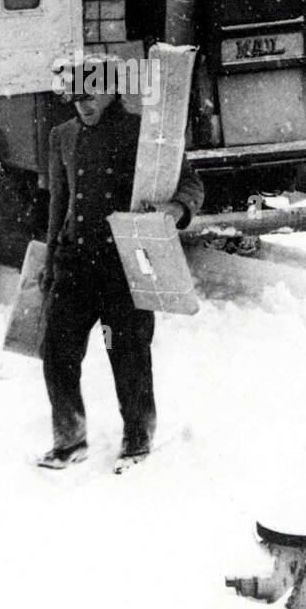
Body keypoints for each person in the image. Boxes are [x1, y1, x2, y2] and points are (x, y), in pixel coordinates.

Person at [37, 59, 204, 471]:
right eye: (74, 97)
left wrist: (175, 209)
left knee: (126, 352)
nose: (82, 105)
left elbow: (190, 183)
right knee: (57, 351)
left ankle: (137, 439)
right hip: (75, 264)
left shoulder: (140, 136)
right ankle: (69, 440)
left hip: (123, 268)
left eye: (90, 94)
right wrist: (50, 256)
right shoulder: (63, 136)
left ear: (112, 91)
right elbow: (60, 202)